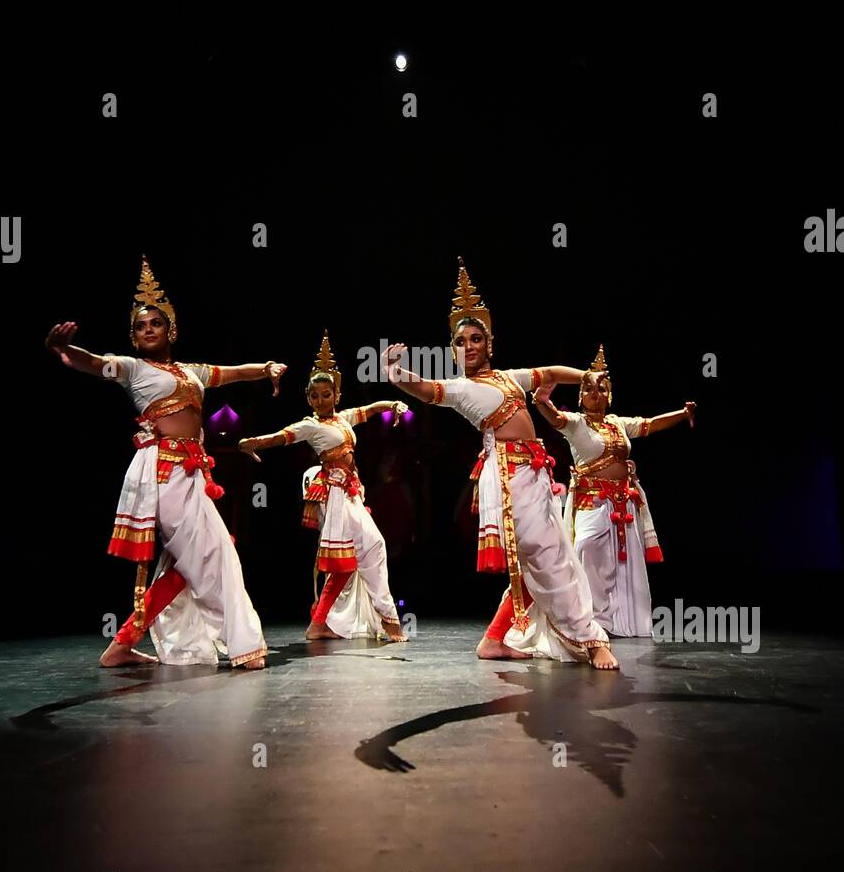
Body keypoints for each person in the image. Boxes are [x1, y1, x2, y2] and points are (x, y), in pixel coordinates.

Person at [45, 256, 286, 669]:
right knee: (211, 556)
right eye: (140, 326)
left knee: (199, 557)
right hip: (166, 473)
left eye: (155, 323)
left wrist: (265, 368)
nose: (148, 330)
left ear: (170, 329)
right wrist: (63, 348)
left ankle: (122, 644)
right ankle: (241, 642)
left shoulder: (190, 371)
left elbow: (232, 373)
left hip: (194, 473)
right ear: (133, 337)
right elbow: (92, 362)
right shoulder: (132, 369)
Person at [382, 259, 615, 666]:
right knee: (545, 554)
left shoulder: (510, 377)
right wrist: (394, 372)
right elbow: (421, 388)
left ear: (489, 343)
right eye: (460, 341)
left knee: (545, 556)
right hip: (510, 477)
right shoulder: (461, 388)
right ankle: (590, 640)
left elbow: (549, 372)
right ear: (452, 350)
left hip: (535, 474)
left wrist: (587, 375)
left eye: (476, 338)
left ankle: (494, 639)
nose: (468, 346)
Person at [239, 332, 409, 643]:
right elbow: (281, 436)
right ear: (308, 397)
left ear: (336, 395)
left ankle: (319, 624)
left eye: (326, 394)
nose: (320, 400)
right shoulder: (311, 425)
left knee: (352, 560)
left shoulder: (343, 419)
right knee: (372, 547)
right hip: (332, 496)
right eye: (314, 395)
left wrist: (394, 403)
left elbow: (371, 409)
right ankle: (390, 621)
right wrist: (253, 442)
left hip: (350, 494)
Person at [530, 345, 696, 639]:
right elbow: (552, 416)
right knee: (587, 548)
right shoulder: (576, 424)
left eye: (603, 389)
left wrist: (682, 415)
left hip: (624, 503)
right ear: (580, 397)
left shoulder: (618, 424)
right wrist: (542, 396)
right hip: (592, 502)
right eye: (591, 389)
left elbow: (650, 425)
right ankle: (591, 620)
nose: (597, 394)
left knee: (624, 563)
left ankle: (623, 621)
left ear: (610, 395)